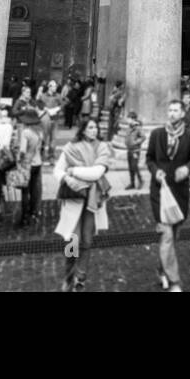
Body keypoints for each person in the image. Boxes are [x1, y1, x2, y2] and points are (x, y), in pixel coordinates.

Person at [54, 116, 113, 291]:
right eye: (90, 128)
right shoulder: (71, 148)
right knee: (72, 240)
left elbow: (97, 172)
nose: (94, 131)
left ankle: (81, 278)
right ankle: (68, 275)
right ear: (83, 129)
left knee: (87, 241)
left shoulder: (102, 147)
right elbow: (57, 170)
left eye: (96, 128)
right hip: (74, 198)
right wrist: (67, 177)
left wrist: (73, 170)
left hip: (92, 200)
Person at [145, 99, 190, 291]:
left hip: (179, 191)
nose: (172, 113)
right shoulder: (157, 134)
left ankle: (161, 270)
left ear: (183, 113)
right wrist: (155, 171)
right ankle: (175, 282)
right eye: (170, 110)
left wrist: (187, 169)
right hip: (160, 191)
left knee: (173, 237)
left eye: (176, 110)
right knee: (166, 235)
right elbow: (149, 158)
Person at [13, 107, 44, 227]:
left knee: (25, 192)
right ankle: (34, 212)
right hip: (38, 162)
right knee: (34, 190)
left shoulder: (26, 132)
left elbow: (22, 150)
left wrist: (18, 160)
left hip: (27, 163)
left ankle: (24, 217)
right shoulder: (39, 132)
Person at [124, 113, 145, 190]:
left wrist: (136, 142)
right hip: (129, 150)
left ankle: (141, 180)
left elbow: (143, 137)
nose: (127, 120)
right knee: (130, 167)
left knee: (134, 166)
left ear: (133, 119)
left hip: (135, 150)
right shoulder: (129, 128)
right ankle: (132, 183)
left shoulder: (138, 128)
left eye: (128, 118)